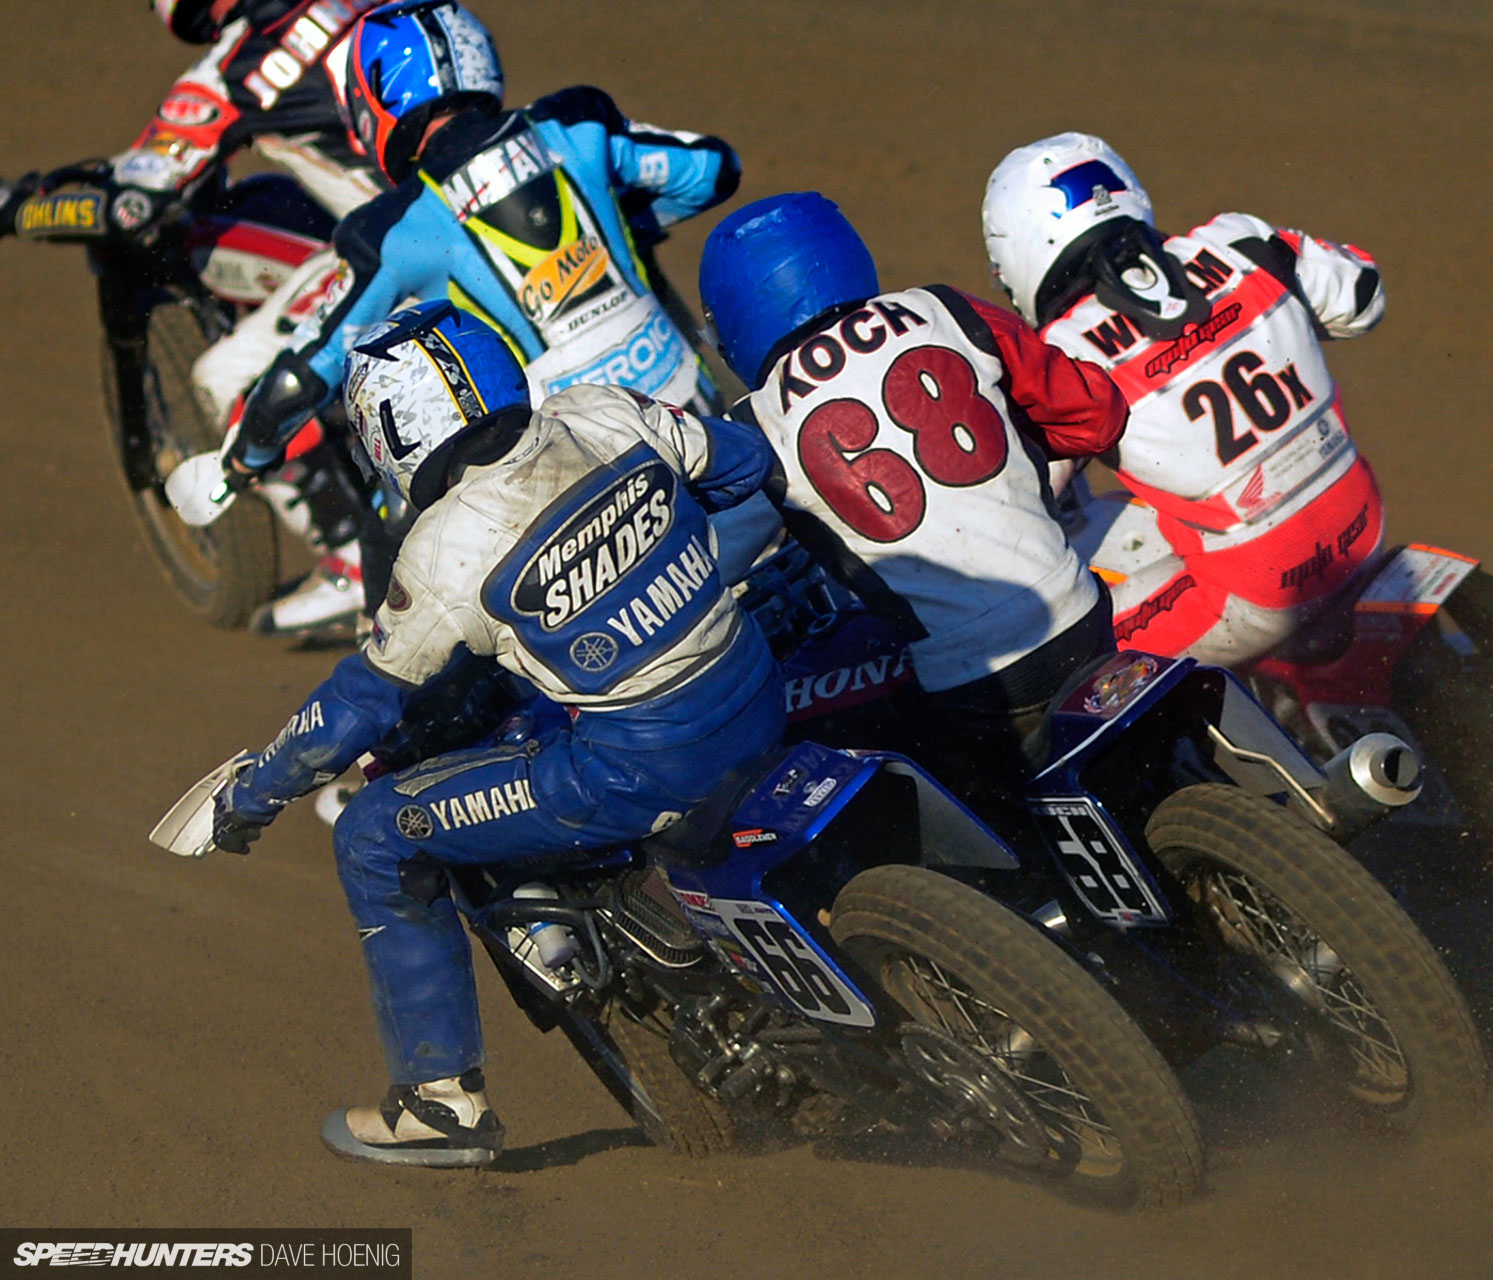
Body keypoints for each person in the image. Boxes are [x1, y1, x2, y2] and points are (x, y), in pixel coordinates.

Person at [209, 299, 784, 1165]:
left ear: (389, 430)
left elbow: (357, 709)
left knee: (373, 835)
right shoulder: (601, 410)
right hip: (759, 688)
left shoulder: (442, 550)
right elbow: (744, 468)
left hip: (636, 769)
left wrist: (253, 792)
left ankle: (440, 1103)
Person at [221, 0, 764, 637]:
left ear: (373, 104)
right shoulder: (576, 125)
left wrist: (244, 458)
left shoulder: (391, 230)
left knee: (393, 511)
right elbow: (710, 170)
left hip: (585, 508)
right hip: (714, 446)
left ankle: (409, 709)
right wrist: (620, 227)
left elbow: (302, 378)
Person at [699, 192, 1130, 771]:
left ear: (732, 316)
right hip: (1081, 614)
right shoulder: (943, 309)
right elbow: (1097, 415)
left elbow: (706, 563)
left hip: (973, 683)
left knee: (841, 738)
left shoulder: (758, 423)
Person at [0, 0, 391, 634]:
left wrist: (18, 211)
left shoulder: (239, 64)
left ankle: (351, 557)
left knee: (228, 377)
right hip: (512, 181)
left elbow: (134, 203)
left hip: (408, 239)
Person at [981, 132, 1389, 668]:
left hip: (1258, 594)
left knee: (1053, 664)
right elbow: (1362, 297)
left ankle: (1186, 751)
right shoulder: (1238, 242)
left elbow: (1015, 498)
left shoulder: (1062, 357)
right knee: (1129, 518)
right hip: (1365, 526)